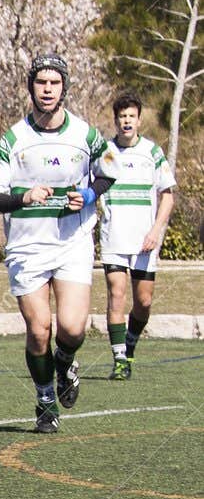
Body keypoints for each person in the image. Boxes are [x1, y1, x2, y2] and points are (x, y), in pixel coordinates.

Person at [0, 53, 118, 432]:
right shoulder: (14, 138)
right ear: (31, 87)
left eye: (54, 83)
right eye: (41, 83)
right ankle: (45, 402)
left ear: (64, 88)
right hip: (27, 247)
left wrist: (89, 196)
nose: (47, 89)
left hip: (72, 241)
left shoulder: (85, 134)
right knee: (39, 328)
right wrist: (22, 198)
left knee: (72, 329)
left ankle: (65, 361)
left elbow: (109, 172)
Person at [99, 92, 176, 379]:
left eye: (131, 116)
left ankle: (129, 347)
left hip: (145, 240)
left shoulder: (152, 152)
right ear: (116, 121)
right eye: (121, 117)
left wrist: (156, 231)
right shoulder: (105, 153)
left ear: (139, 120)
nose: (126, 121)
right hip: (114, 237)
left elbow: (167, 196)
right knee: (116, 295)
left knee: (143, 302)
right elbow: (90, 185)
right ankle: (119, 360)